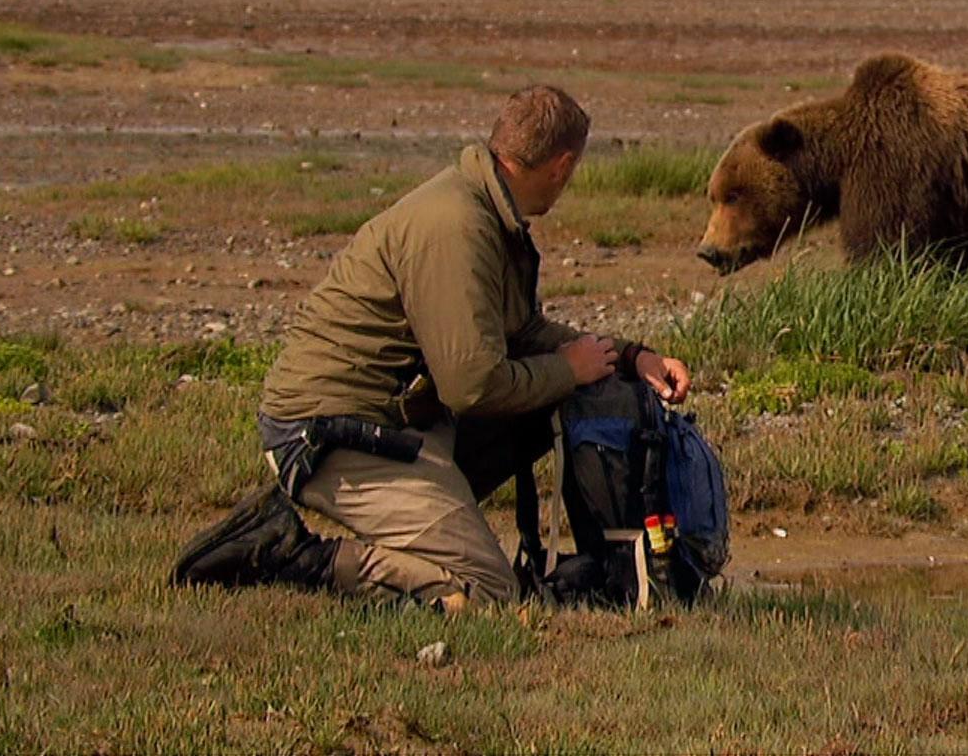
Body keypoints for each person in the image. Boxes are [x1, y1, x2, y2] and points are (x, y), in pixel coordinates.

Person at [172, 85, 690, 611]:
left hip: (393, 421)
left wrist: (629, 357)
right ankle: (290, 552)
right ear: (561, 165)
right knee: (487, 592)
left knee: (563, 394)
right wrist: (565, 371)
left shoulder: (485, 207)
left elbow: (522, 334)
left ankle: (606, 567)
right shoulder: (457, 226)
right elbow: (473, 384)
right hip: (333, 433)